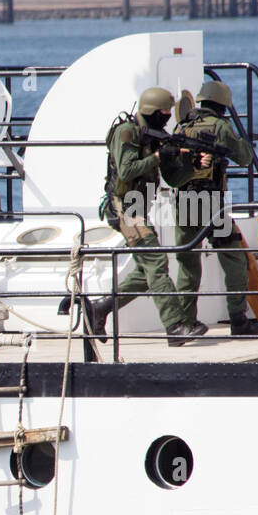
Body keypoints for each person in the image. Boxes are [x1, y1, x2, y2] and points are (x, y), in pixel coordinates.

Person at [88, 87, 207, 347]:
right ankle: (175, 327)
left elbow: (173, 178)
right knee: (156, 263)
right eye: (163, 113)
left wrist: (193, 166)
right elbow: (128, 170)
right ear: (151, 112)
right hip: (124, 207)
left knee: (145, 273)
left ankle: (100, 308)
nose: (166, 118)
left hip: (139, 207)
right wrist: (157, 156)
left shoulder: (157, 137)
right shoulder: (127, 132)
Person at [167, 80, 258, 336]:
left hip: (183, 201)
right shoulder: (221, 126)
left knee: (188, 263)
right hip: (210, 204)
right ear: (222, 106)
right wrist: (244, 141)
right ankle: (239, 321)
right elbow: (244, 158)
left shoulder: (183, 125)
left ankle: (186, 322)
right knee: (233, 257)